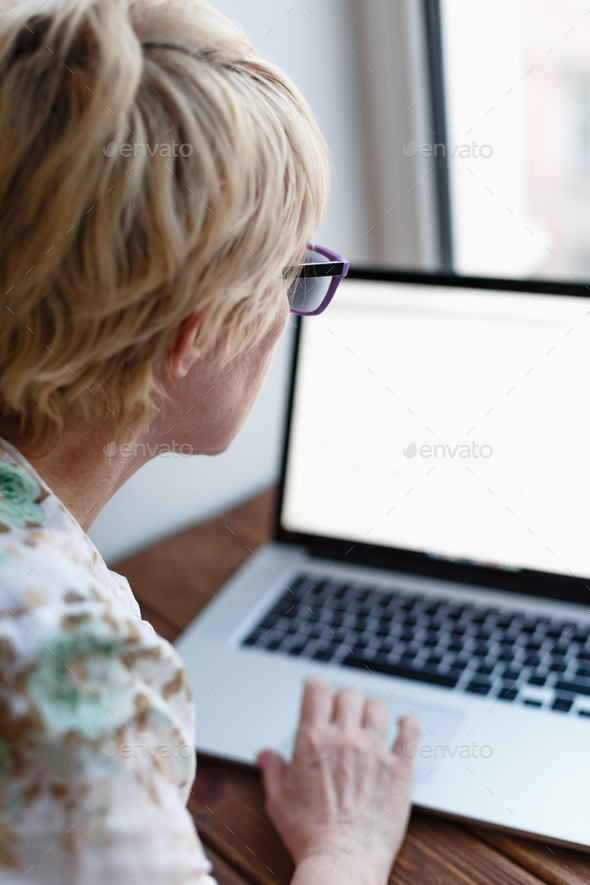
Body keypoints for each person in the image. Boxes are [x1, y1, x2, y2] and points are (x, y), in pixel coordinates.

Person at [0, 0, 421, 882]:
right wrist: (344, 849)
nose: (293, 313)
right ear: (194, 335)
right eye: (292, 277)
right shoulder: (68, 681)